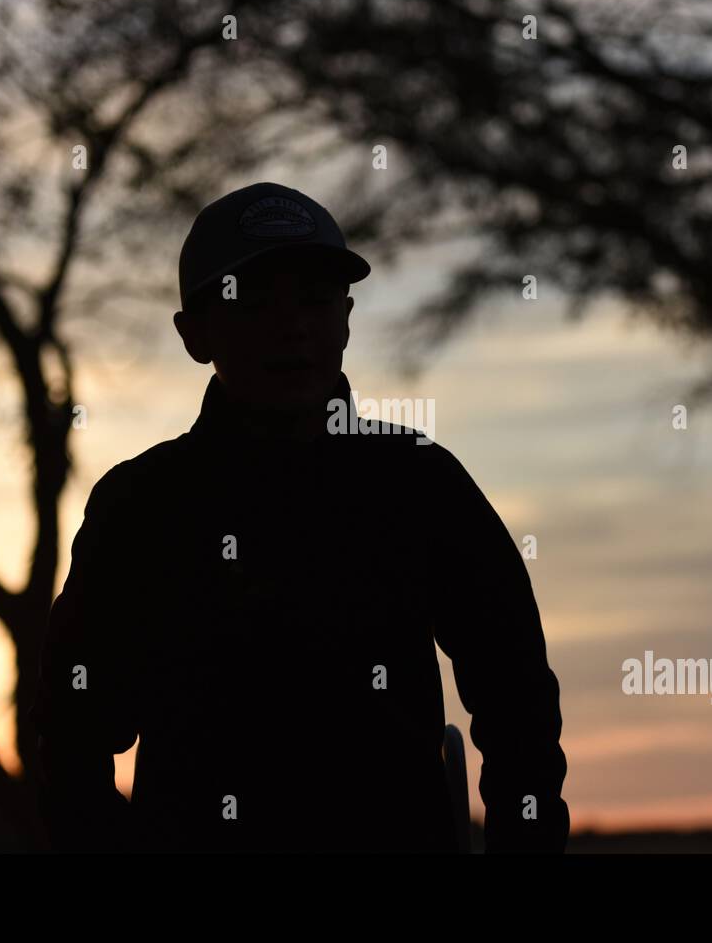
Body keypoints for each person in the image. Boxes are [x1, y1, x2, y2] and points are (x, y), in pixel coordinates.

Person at [29, 181, 569, 853]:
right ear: (194, 333)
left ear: (345, 318)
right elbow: (73, 730)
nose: (291, 325)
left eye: (314, 298)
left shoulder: (421, 482)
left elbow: (515, 694)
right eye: (252, 301)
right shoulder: (140, 506)